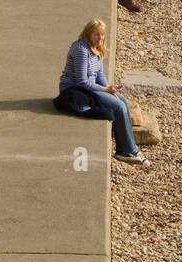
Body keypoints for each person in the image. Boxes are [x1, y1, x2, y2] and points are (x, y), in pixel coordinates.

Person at [54, 19, 150, 167]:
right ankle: (128, 150)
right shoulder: (81, 50)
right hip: (75, 90)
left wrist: (109, 87)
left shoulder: (96, 47)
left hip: (90, 86)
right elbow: (82, 81)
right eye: (96, 35)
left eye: (102, 35)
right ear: (88, 34)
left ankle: (127, 149)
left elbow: (99, 74)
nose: (100, 38)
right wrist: (105, 90)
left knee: (122, 101)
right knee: (118, 106)